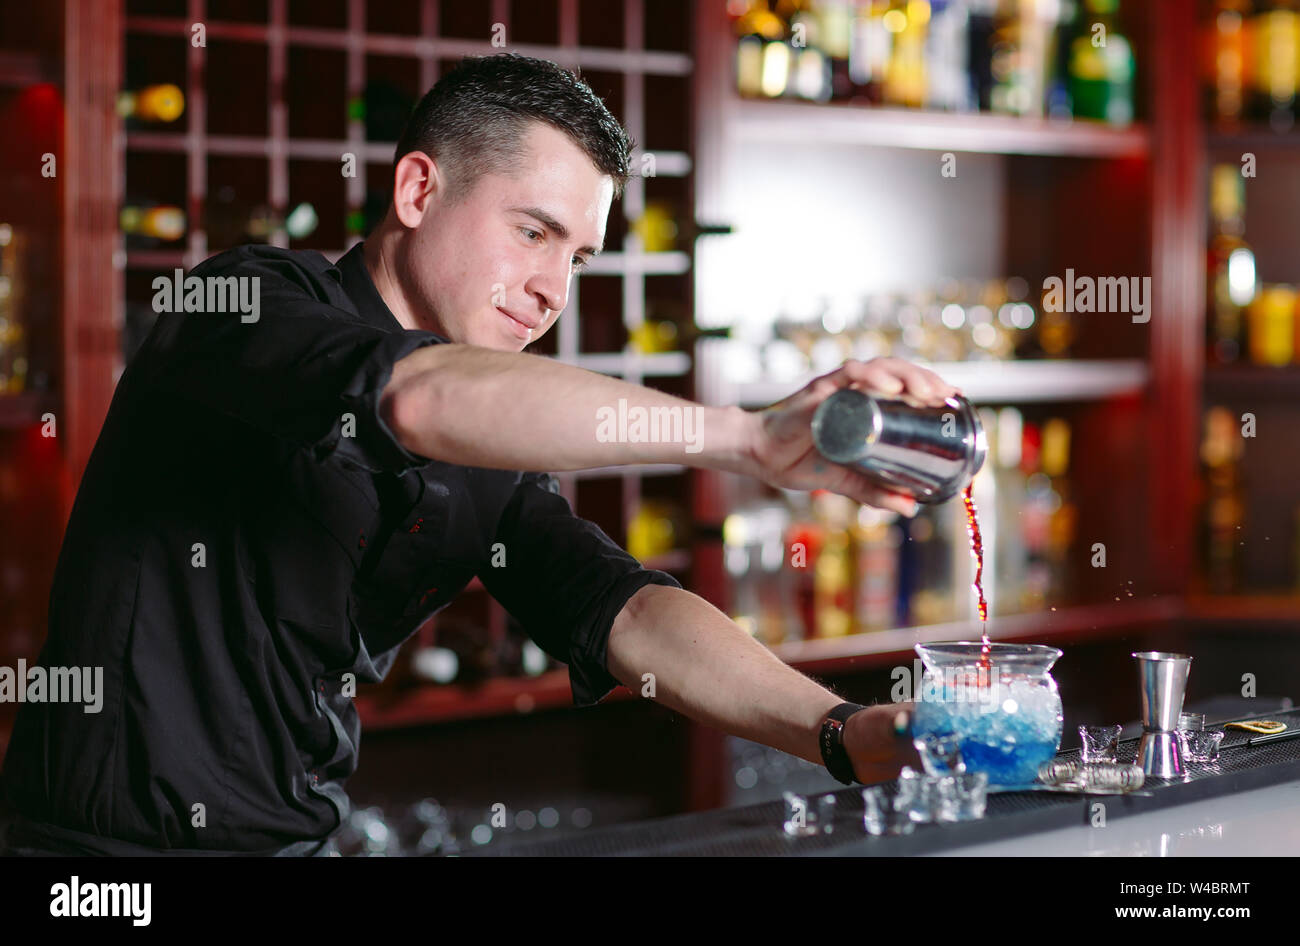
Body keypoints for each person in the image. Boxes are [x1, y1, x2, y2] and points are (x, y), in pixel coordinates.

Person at [0, 54, 956, 856]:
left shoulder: (493, 434)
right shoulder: (241, 307)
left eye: (577, 258)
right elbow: (416, 395)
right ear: (419, 190)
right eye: (533, 232)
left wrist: (843, 734)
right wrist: (749, 437)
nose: (551, 293)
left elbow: (620, 608)